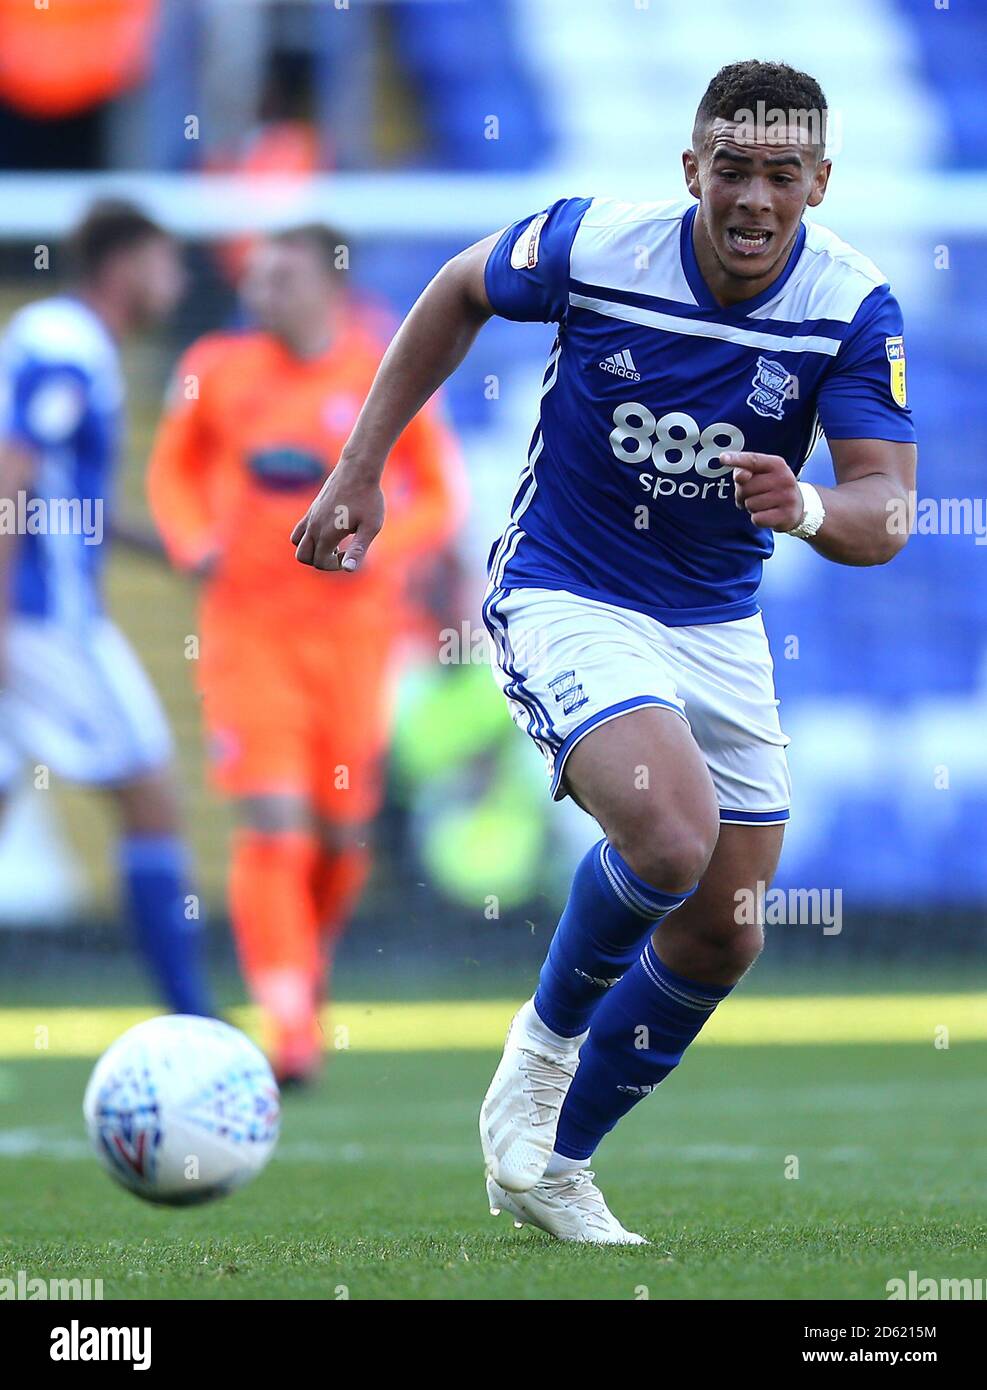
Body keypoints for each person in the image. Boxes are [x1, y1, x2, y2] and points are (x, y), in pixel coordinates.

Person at [290, 61, 916, 1237]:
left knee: (727, 925)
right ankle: (536, 1059)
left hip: (717, 619)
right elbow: (458, 288)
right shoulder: (596, 245)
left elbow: (887, 508)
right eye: (732, 169)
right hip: (569, 587)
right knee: (671, 836)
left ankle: (552, 1165)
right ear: (692, 170)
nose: (754, 199)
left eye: (782, 174)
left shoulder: (851, 302)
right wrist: (360, 467)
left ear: (820, 181)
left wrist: (815, 509)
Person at [148, 225, 463, 1085]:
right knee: (276, 825)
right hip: (250, 632)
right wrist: (191, 539)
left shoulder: (380, 374)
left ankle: (300, 974)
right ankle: (289, 1024)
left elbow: (440, 493)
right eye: (255, 278)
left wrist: (395, 550)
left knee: (342, 837)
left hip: (354, 637)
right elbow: (173, 468)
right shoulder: (215, 368)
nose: (259, 294)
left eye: (280, 278)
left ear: (329, 286)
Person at [0, 199, 213, 1017]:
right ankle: (194, 1017)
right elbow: (14, 474)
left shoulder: (58, 339)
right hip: (42, 619)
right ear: (125, 264)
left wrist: (172, 551)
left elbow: (62, 500)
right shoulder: (68, 343)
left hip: (34, 609)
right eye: (166, 261)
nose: (177, 279)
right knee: (151, 791)